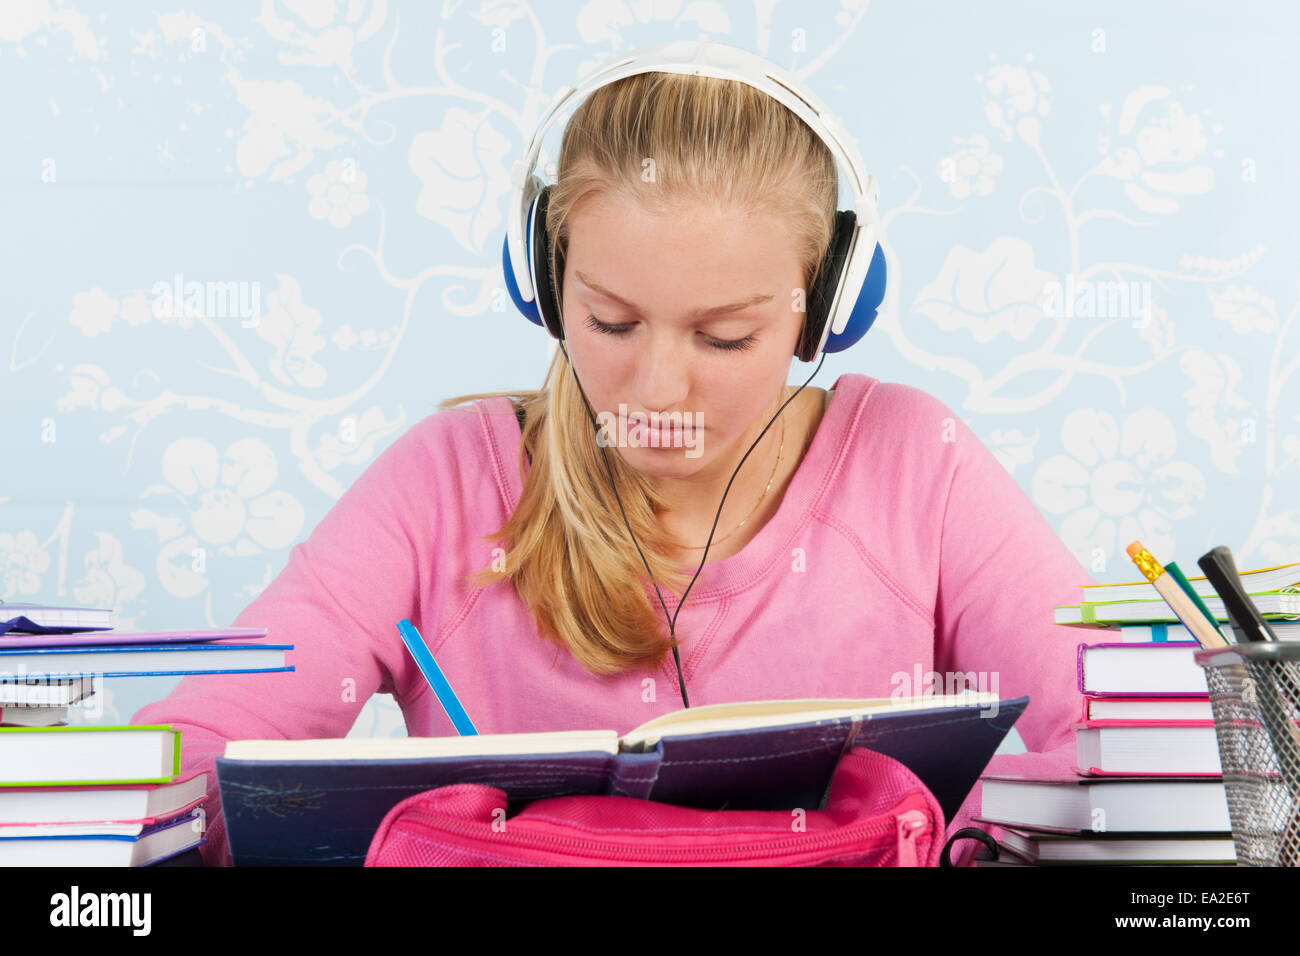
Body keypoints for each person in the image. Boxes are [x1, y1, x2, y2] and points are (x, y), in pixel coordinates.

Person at [131, 67, 1095, 867]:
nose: (658, 389)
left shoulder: (914, 466)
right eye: (612, 323)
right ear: (545, 287)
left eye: (726, 337)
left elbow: (1119, 746)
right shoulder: (443, 484)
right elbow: (196, 762)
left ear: (826, 309)